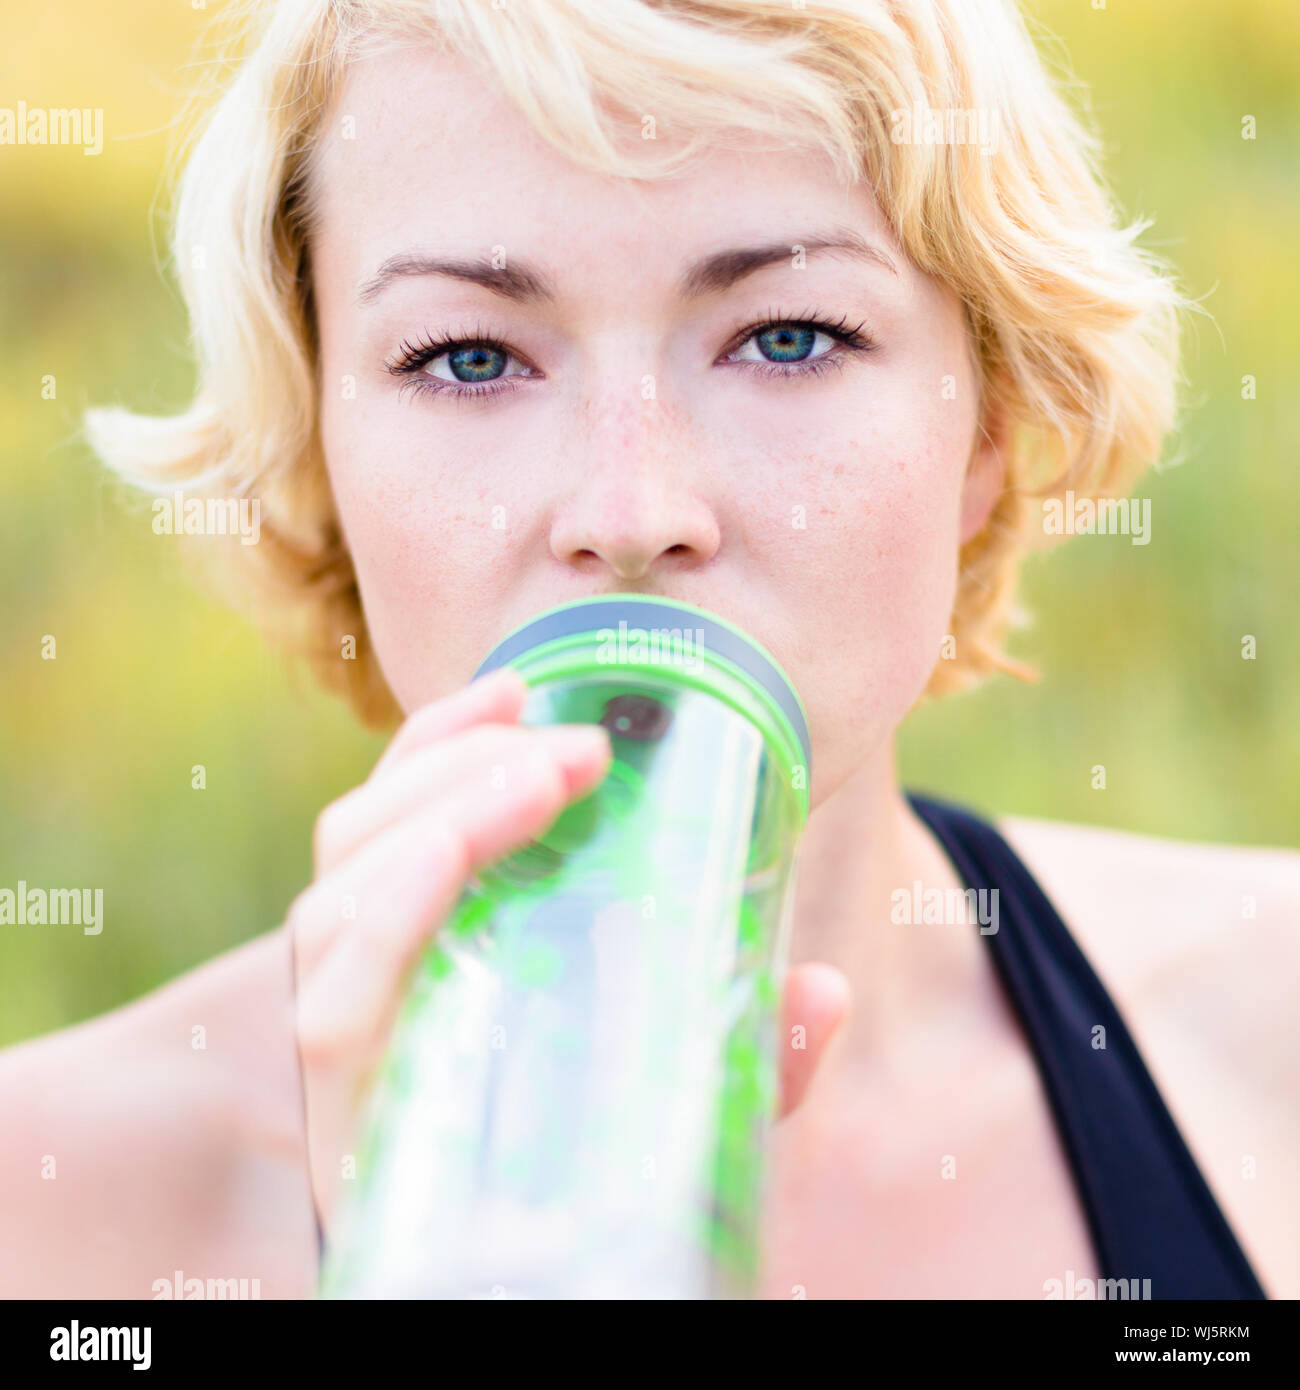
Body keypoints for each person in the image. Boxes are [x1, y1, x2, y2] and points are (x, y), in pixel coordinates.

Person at [5, 0, 1295, 1299]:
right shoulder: (45, 1211)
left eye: (789, 337)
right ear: (317, 444)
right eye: (467, 357)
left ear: (990, 427)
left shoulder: (1269, 1021)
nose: (631, 514)